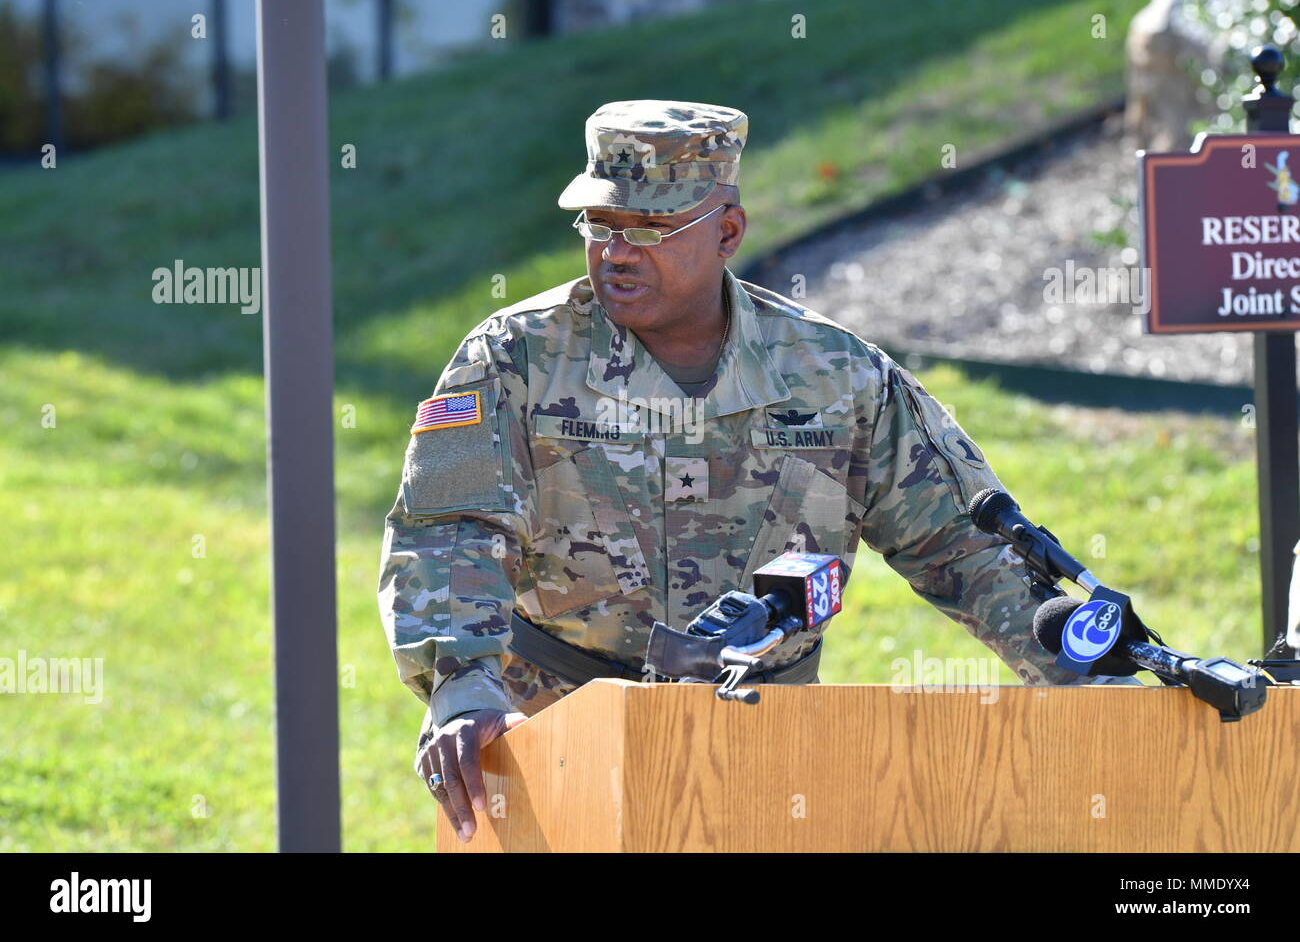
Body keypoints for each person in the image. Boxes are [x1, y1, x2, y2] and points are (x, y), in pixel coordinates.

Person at [376, 99, 1132, 845]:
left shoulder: (835, 373)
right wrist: (462, 685)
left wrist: (1089, 678)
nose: (616, 252)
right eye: (600, 226)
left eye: (652, 229)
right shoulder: (514, 357)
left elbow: (961, 546)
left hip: (764, 750)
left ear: (728, 231)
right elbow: (448, 530)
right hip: (551, 733)